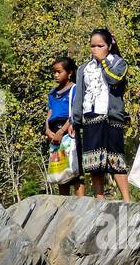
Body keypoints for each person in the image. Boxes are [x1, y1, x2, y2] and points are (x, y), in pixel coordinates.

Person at [70, 28, 131, 201]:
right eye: (92, 46)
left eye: (100, 45)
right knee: (94, 161)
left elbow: (114, 80)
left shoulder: (119, 63)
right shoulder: (83, 69)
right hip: (91, 116)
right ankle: (99, 197)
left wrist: (103, 62)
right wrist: (75, 119)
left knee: (115, 158)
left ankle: (126, 198)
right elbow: (80, 95)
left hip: (111, 117)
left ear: (109, 45)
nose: (96, 49)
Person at [45, 57, 84, 197]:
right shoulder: (52, 93)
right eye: (54, 72)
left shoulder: (74, 89)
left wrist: (62, 131)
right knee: (60, 170)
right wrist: (48, 130)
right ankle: (63, 205)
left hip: (68, 131)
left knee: (75, 169)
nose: (56, 75)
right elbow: (49, 113)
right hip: (54, 134)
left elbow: (74, 111)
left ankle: (81, 204)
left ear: (69, 73)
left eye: (59, 72)